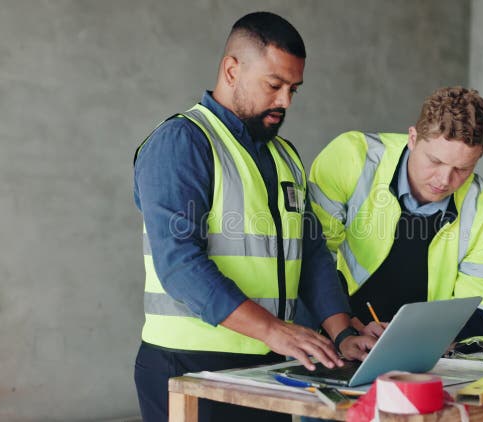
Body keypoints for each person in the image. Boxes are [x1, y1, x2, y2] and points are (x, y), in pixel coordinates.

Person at [132, 12, 374, 422]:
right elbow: (180, 265)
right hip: (189, 369)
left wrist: (343, 333)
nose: (285, 102)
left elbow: (312, 255)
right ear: (231, 69)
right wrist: (275, 330)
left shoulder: (285, 156)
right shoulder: (182, 142)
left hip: (266, 369)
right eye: (274, 85)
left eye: (294, 89)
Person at [300, 86, 483, 342]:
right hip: (339, 333)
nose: (444, 180)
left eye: (463, 169)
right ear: (412, 138)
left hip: (426, 349)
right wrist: (347, 327)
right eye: (435, 161)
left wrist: (432, 340)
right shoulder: (353, 158)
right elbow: (313, 257)